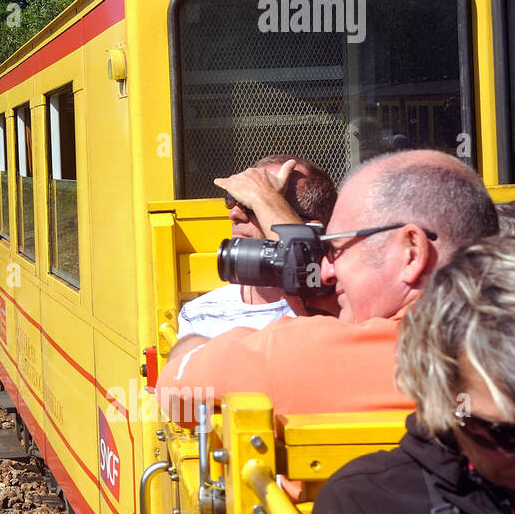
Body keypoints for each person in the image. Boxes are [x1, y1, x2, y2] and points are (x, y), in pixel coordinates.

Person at [156, 150, 498, 422]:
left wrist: (191, 348)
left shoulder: (299, 354)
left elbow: (173, 392)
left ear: (411, 253)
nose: (326, 271)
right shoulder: (498, 342)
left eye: (336, 249)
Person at [311, 236, 515, 514]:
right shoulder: (364, 510)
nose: (329, 272)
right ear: (441, 397)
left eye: (339, 250)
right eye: (501, 434)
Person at [177, 155, 336, 338]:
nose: (235, 213)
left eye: (255, 205)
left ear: (311, 227)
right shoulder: (200, 316)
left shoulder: (338, 307)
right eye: (233, 200)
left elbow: (311, 279)